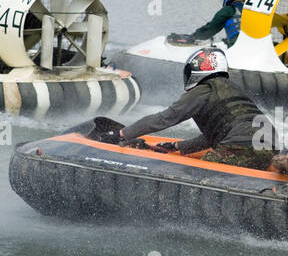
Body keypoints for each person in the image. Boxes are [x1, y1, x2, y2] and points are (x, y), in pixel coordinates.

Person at [117, 48, 277, 169]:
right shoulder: (233, 89)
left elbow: (165, 118)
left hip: (243, 147)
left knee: (199, 171)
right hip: (270, 147)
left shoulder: (203, 90)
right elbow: (218, 136)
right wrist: (178, 146)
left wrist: (123, 134)